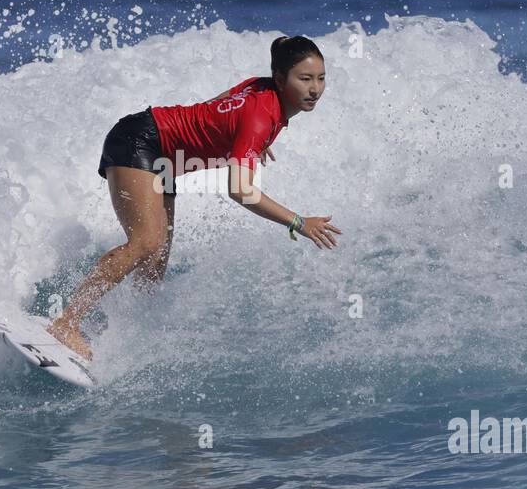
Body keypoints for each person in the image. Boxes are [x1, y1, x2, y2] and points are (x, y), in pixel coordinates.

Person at [47, 35, 342, 359]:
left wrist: (242, 136)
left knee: (155, 262)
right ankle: (67, 321)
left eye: (321, 78)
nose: (315, 89)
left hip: (163, 159)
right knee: (145, 242)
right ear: (281, 79)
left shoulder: (260, 88)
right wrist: (299, 222)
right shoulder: (261, 116)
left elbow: (218, 104)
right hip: (141, 141)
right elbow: (240, 190)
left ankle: (117, 332)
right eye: (305, 79)